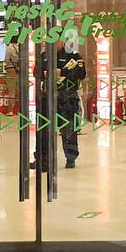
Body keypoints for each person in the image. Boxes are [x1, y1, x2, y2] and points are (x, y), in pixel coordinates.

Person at [32, 27, 87, 170]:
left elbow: (80, 73)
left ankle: (70, 158)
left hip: (67, 98)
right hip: (48, 97)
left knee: (68, 129)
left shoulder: (73, 56)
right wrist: (46, 73)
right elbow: (36, 72)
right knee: (43, 129)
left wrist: (61, 72)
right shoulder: (45, 55)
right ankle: (42, 159)